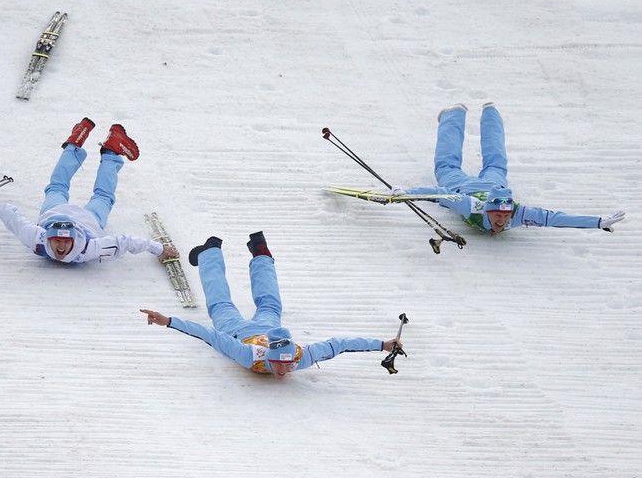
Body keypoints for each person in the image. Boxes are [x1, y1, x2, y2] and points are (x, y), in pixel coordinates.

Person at [140, 232, 398, 379]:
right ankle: (215, 252)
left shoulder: (299, 356)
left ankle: (237, 252)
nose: (285, 369)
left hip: (266, 327)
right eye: (280, 364)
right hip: (237, 331)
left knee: (270, 305)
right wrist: (169, 321)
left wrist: (383, 345)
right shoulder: (248, 354)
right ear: (269, 357)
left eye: (286, 365)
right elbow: (208, 334)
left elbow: (339, 345)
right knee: (223, 303)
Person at [0, 118, 178, 264]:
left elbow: (124, 242)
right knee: (73, 190)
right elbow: (6, 212)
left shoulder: (87, 247)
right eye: (58, 241)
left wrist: (159, 250)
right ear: (48, 238)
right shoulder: (40, 238)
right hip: (70, 215)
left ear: (74, 240)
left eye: (64, 242)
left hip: (78, 218)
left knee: (82, 192)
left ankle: (81, 145)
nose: (61, 246)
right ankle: (107, 150)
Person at [394, 102, 625, 235]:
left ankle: (485, 113)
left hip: (495, 185)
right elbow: (439, 195)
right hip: (462, 186)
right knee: (448, 165)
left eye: (504, 216)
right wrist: (406, 194)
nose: (502, 221)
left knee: (495, 163)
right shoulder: (470, 205)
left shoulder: (517, 214)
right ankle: (456, 113)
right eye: (498, 216)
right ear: (487, 211)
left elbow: (555, 218)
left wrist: (597, 222)